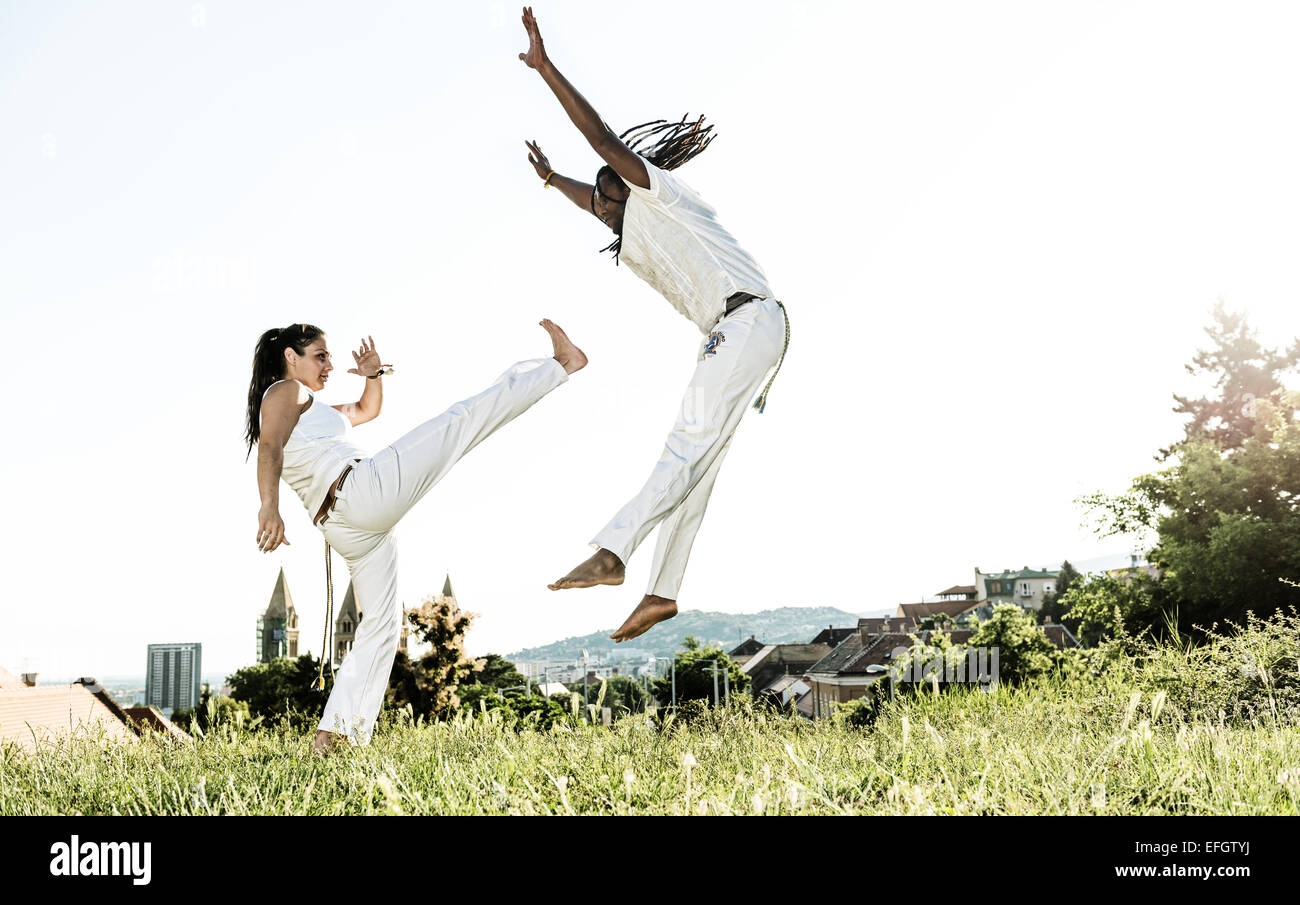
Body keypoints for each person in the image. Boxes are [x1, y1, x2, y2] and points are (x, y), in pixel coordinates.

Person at [518, 7, 790, 643]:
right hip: (744, 332)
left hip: (747, 321)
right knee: (698, 467)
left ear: (628, 189)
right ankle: (662, 592)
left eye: (604, 193)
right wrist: (554, 179)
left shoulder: (662, 195)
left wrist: (546, 69)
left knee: (683, 447)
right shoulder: (639, 231)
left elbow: (606, 145)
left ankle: (614, 553)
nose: (599, 203)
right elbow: (592, 197)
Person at [246, 319, 586, 752]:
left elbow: (367, 411)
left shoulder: (314, 409)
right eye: (321, 355)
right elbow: (270, 447)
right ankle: (560, 365)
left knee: (383, 629)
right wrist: (269, 506)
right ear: (291, 358)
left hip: (348, 524)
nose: (329, 364)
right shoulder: (284, 392)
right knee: (458, 421)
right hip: (358, 492)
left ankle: (335, 737)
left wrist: (373, 376)